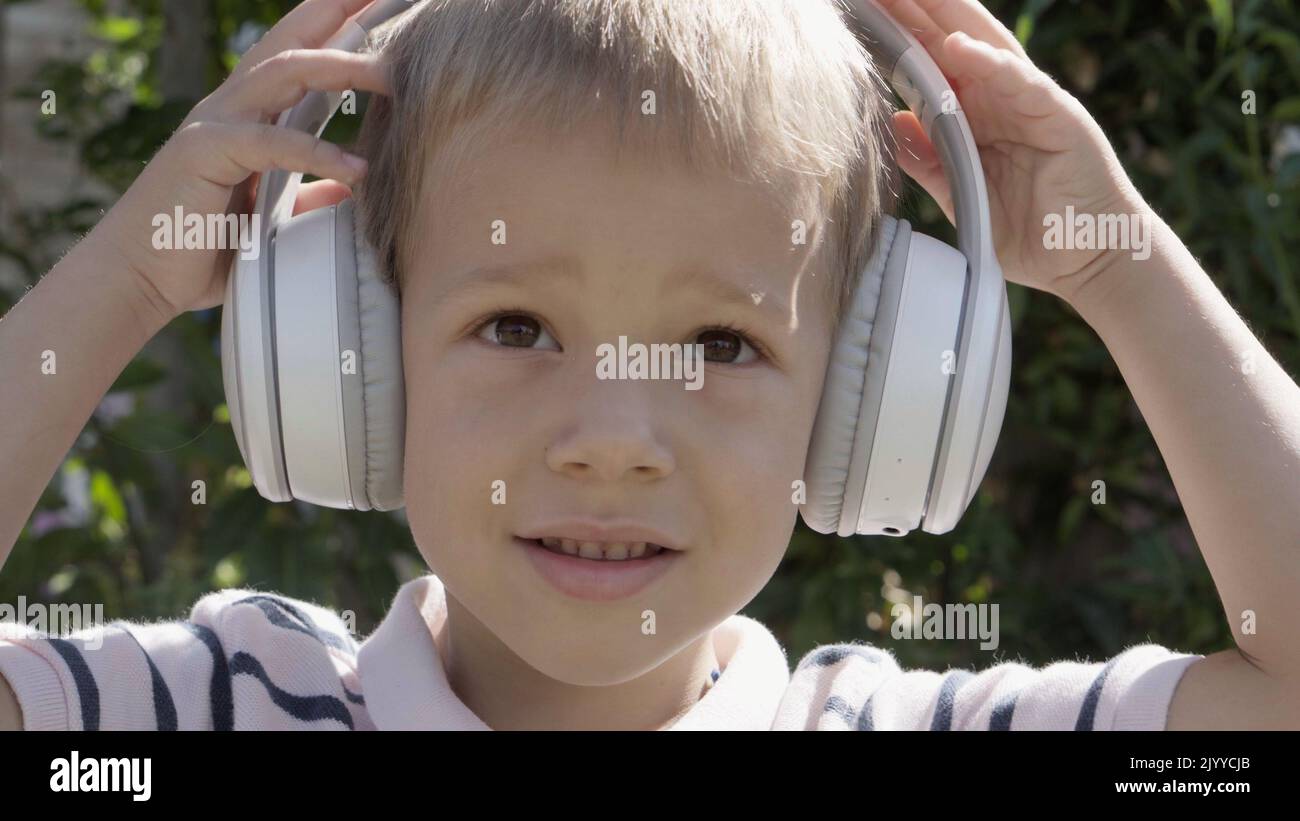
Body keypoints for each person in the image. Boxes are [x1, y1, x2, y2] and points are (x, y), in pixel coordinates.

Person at [1, 0, 1297, 731]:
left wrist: (1115, 262)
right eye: (515, 327)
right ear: (351, 354)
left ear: (864, 389)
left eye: (723, 342)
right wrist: (132, 272)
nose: (610, 436)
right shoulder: (210, 715)